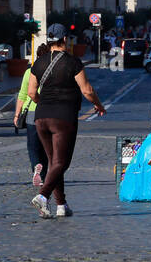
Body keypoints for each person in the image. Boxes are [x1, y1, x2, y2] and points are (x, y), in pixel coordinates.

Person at [27, 23, 106, 217]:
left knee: (54, 162)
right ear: (64, 40)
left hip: (41, 118)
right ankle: (43, 196)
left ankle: (61, 205)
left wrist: (44, 103)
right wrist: (98, 105)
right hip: (64, 117)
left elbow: (31, 92)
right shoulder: (73, 62)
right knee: (62, 162)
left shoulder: (38, 63)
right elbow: (86, 89)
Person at [14, 42, 49, 188]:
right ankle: (45, 175)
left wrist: (17, 114)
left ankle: (36, 167)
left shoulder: (30, 72)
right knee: (47, 146)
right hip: (49, 112)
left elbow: (23, 94)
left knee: (33, 146)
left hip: (32, 113)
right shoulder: (54, 72)